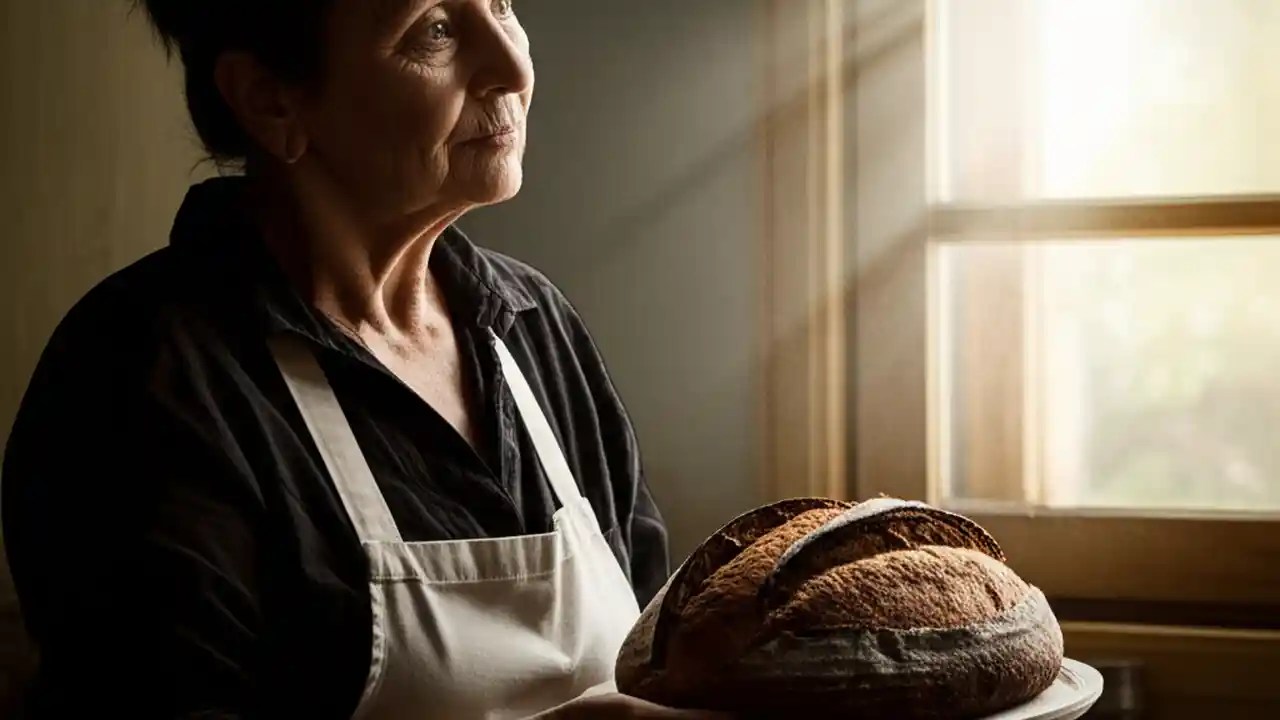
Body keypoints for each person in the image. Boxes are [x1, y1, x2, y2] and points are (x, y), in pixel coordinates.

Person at [1, 1, 726, 718]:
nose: (513, 67)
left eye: (502, 4)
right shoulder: (143, 380)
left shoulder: (534, 327)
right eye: (434, 31)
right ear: (271, 101)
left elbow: (656, 659)